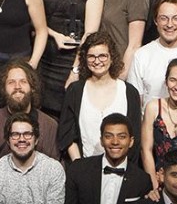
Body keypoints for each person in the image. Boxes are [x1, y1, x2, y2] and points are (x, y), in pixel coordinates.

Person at [36, 0, 105, 114]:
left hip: (72, 62)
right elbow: (33, 19)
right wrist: (54, 35)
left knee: (69, 115)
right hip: (44, 59)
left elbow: (90, 33)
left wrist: (75, 71)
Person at [58, 32, 142, 160]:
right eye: (91, 56)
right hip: (83, 168)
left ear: (112, 57)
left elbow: (134, 138)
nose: (97, 61)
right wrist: (80, 166)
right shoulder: (75, 91)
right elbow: (67, 135)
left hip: (121, 170)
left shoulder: (129, 92)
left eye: (102, 56)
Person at [0, 61, 60, 162]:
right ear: (3, 89)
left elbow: (54, 167)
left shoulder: (49, 125)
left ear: (32, 87)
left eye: (23, 82)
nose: (17, 87)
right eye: (11, 82)